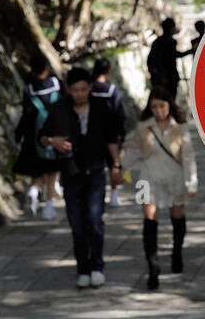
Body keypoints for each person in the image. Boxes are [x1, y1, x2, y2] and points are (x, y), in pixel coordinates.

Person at [40, 66, 123, 290]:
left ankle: (97, 266)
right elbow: (42, 138)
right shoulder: (58, 109)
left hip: (96, 171)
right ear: (68, 89)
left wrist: (116, 165)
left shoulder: (101, 107)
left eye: (83, 90)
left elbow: (111, 139)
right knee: (77, 224)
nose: (79, 94)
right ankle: (83, 268)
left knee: (95, 220)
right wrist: (53, 141)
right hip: (71, 172)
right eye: (75, 90)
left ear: (90, 88)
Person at [129, 85, 198, 290]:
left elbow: (188, 157)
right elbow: (134, 150)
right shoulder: (143, 127)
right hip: (148, 176)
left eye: (162, 106)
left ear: (169, 105)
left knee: (177, 214)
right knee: (149, 218)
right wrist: (119, 167)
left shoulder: (180, 127)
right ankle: (153, 265)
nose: (158, 111)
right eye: (154, 107)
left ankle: (177, 251)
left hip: (174, 177)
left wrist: (191, 181)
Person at [12, 55, 63, 219]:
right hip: (55, 133)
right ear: (47, 67)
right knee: (52, 172)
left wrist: (19, 135)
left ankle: (33, 191)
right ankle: (48, 206)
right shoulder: (56, 84)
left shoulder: (29, 88)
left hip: (34, 135)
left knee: (39, 170)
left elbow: (26, 114)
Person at [91, 57, 128, 205]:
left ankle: (97, 195)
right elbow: (119, 113)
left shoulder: (89, 89)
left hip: (93, 132)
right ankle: (113, 195)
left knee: (96, 165)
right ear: (108, 71)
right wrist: (122, 135)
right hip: (111, 133)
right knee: (114, 163)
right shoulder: (112, 90)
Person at [146, 18, 193, 101]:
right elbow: (172, 56)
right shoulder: (170, 42)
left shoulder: (157, 41)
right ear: (171, 29)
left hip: (162, 79)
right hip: (169, 79)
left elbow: (150, 61)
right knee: (169, 101)